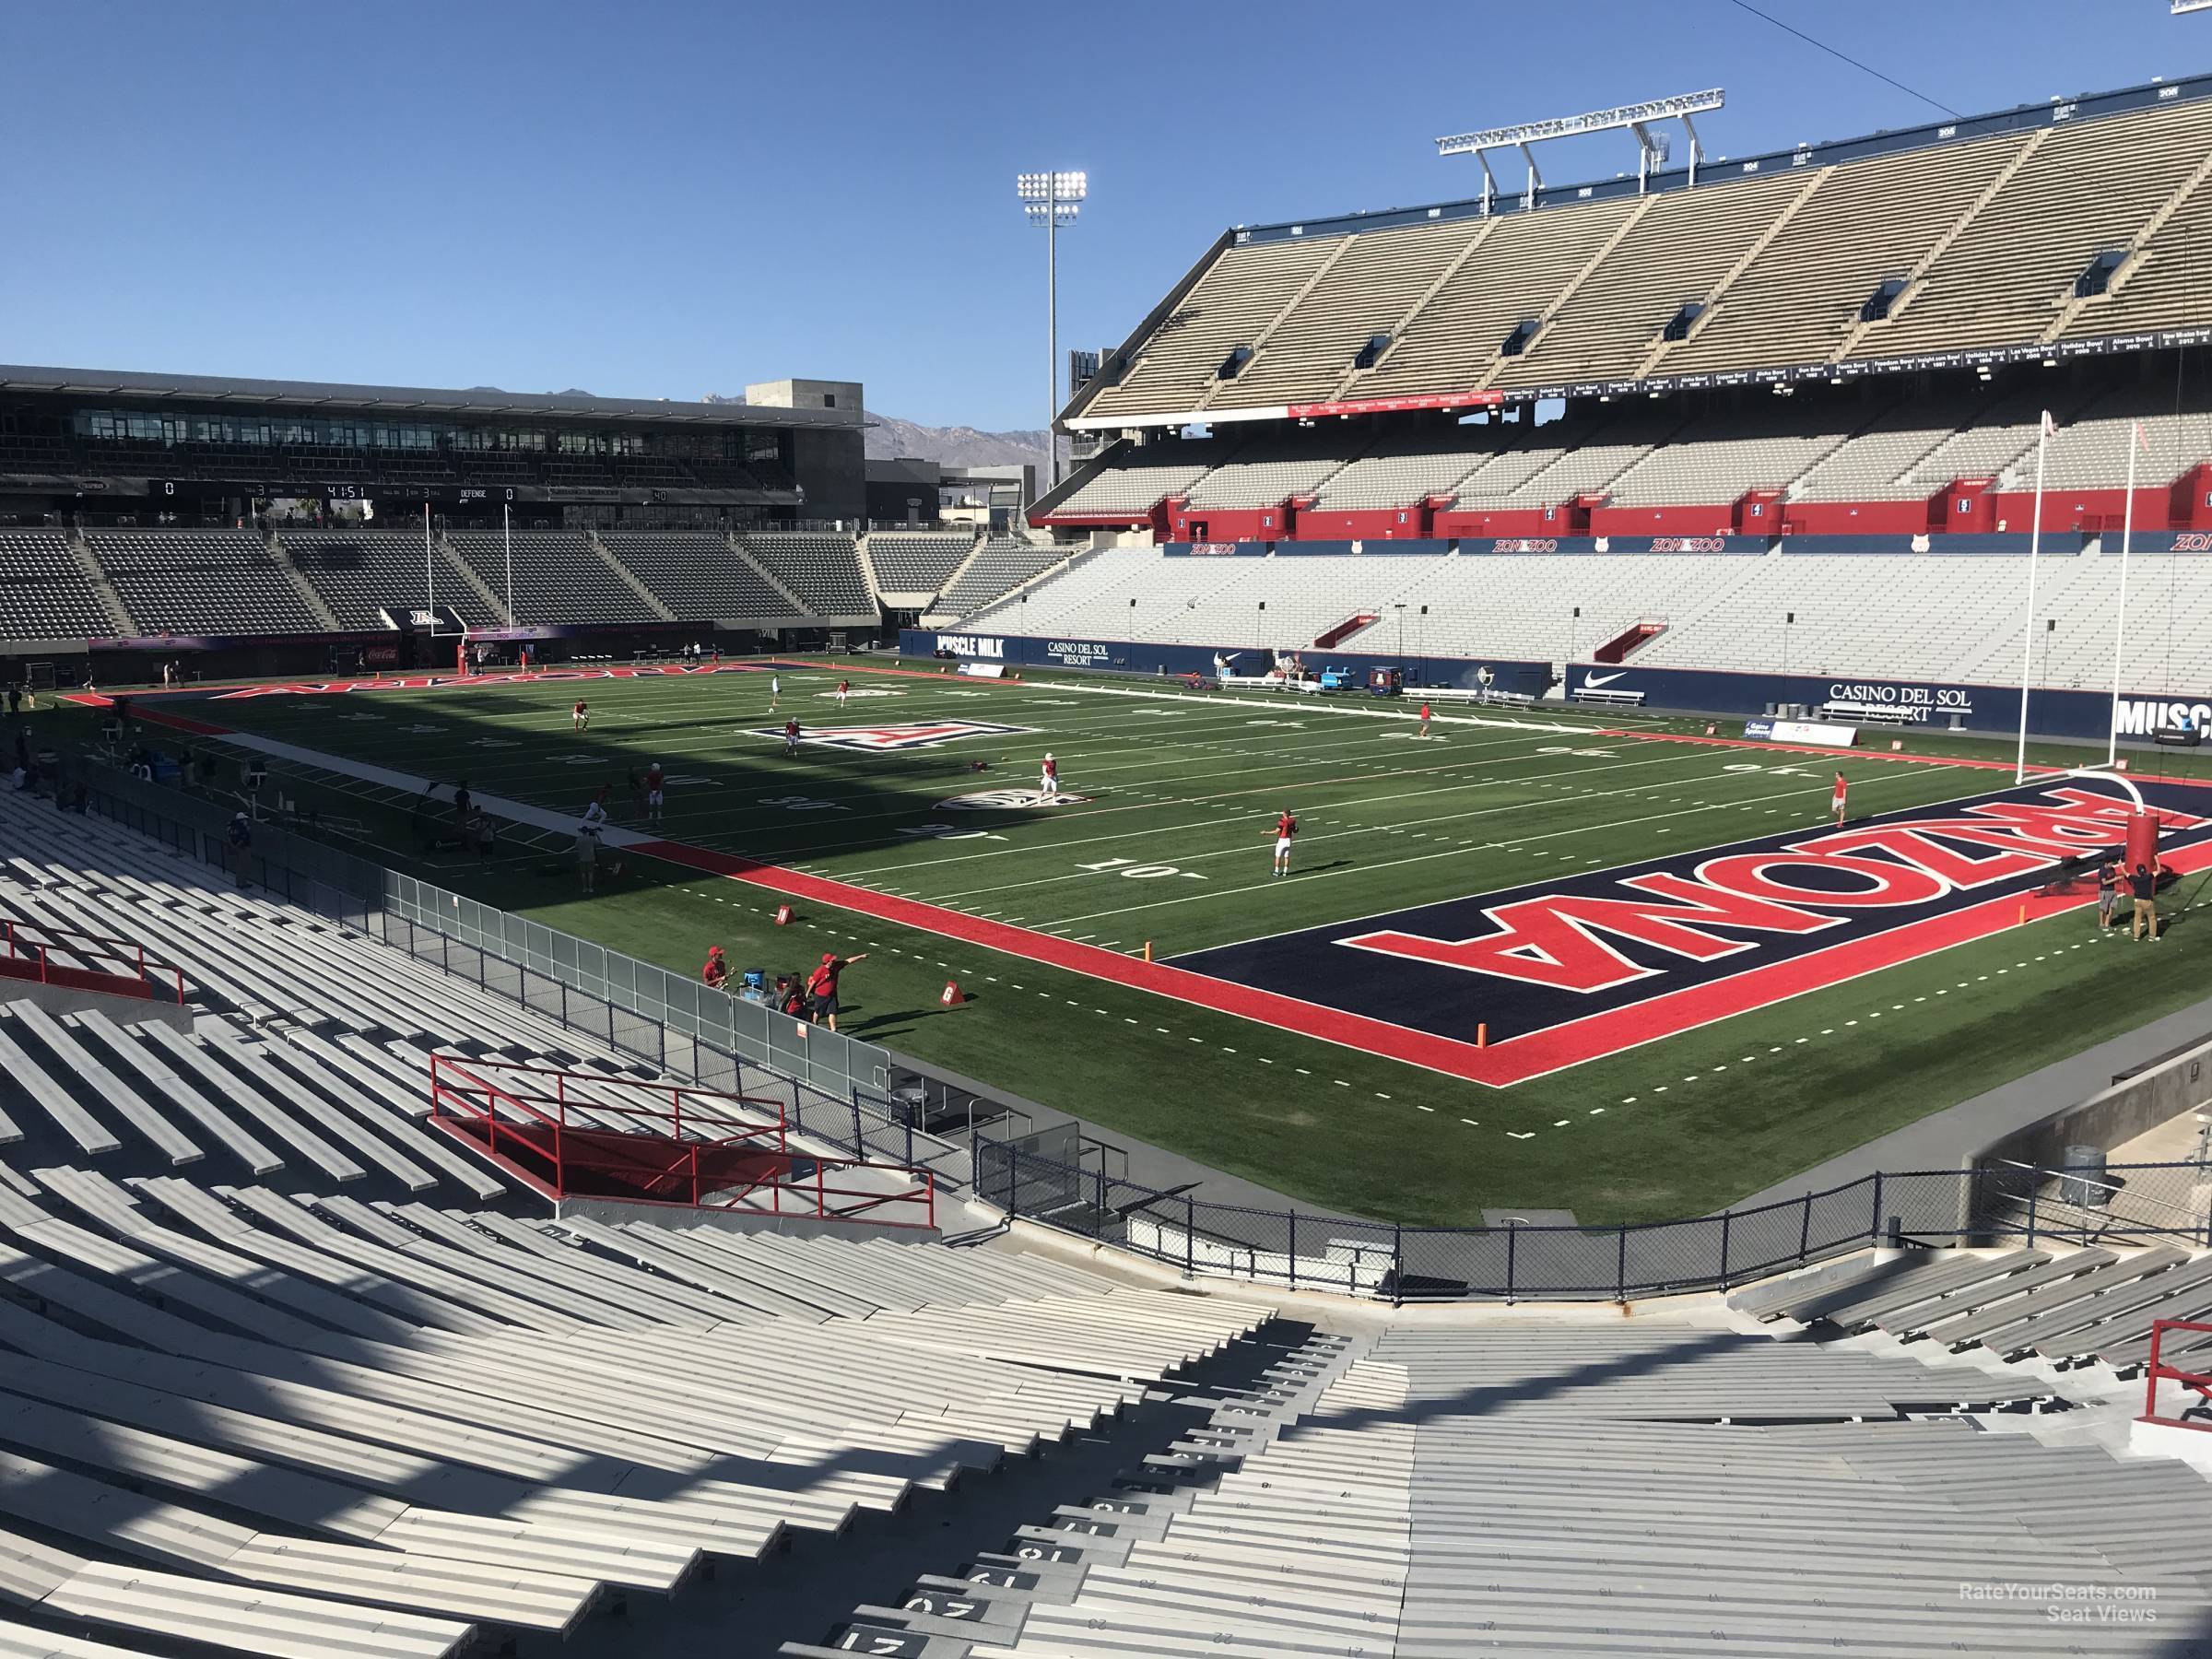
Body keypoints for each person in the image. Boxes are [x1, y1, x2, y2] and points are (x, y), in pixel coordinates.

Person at [807, 949, 867, 1032]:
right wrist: (807, 993)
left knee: (833, 1011)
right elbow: (813, 982)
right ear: (828, 962)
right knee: (819, 1012)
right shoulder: (820, 971)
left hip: (832, 994)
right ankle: (814, 1023)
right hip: (821, 995)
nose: (834, 960)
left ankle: (834, 1030)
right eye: (832, 960)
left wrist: (861, 956)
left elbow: (848, 961)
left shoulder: (836, 965)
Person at [576, 787, 610, 893]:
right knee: (600, 814)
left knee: (589, 816)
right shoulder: (602, 794)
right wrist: (599, 808)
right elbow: (599, 801)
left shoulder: (602, 793)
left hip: (594, 805)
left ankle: (584, 825)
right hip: (595, 806)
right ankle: (590, 825)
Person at [2132, 858, 2161, 941]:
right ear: (2145, 870)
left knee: (2137, 919)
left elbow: (2126, 874)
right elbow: (2159, 871)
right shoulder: (2148, 877)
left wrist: (2120, 864)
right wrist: (2156, 859)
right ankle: (2152, 936)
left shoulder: (2135, 878)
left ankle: (2136, 936)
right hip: (2147, 901)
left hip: (2137, 901)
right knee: (2151, 918)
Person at [226, 810, 253, 888]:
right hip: (243, 848)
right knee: (245, 866)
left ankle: (238, 882)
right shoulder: (243, 828)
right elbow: (243, 838)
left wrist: (232, 846)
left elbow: (229, 837)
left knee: (238, 865)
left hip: (234, 848)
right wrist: (237, 846)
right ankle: (243, 882)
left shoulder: (231, 827)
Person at [1274, 808, 1298, 877]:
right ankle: (1285, 872)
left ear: (1285, 814)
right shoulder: (1292, 820)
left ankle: (1276, 871)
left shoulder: (1282, 821)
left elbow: (1276, 831)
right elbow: (1295, 831)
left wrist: (1266, 832)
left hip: (1282, 840)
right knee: (1286, 857)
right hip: (1289, 840)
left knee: (1278, 856)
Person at [2098, 857, 2120, 931]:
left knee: (2112, 907)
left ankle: (2107, 924)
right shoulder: (2102, 871)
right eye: (2111, 863)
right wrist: (2115, 879)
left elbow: (2114, 878)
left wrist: (2118, 880)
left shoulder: (2112, 869)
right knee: (2103, 908)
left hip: (2112, 890)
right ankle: (2101, 923)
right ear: (2106, 863)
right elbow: (2104, 882)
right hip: (2105, 891)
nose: (2112, 865)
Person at [645, 761, 665, 829]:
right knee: (659, 804)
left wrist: (650, 790)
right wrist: (659, 790)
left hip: (652, 790)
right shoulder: (660, 774)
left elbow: (647, 783)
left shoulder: (650, 774)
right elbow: (661, 783)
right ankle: (659, 816)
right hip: (658, 791)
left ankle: (650, 816)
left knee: (651, 804)